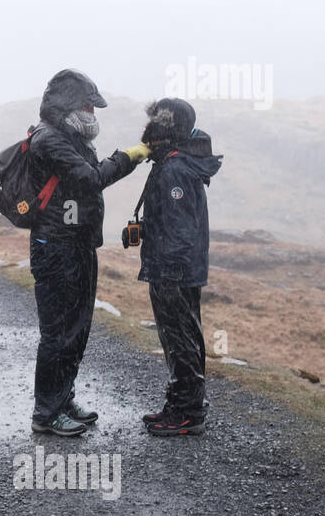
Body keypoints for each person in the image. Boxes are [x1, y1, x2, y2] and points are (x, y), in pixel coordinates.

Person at [27, 69, 151, 436]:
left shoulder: (71, 137)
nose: (93, 115)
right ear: (67, 106)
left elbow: (88, 175)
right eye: (87, 106)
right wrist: (129, 156)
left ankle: (63, 400)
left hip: (79, 247)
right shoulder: (49, 141)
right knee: (58, 333)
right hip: (56, 250)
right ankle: (46, 414)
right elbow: (91, 178)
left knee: (76, 330)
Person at [135, 97, 223, 436]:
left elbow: (179, 228)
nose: (148, 135)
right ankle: (181, 405)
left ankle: (187, 412)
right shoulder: (179, 163)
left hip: (172, 271)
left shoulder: (174, 169)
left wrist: (167, 272)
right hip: (178, 269)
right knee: (183, 336)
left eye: (155, 127)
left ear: (164, 129)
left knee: (180, 338)